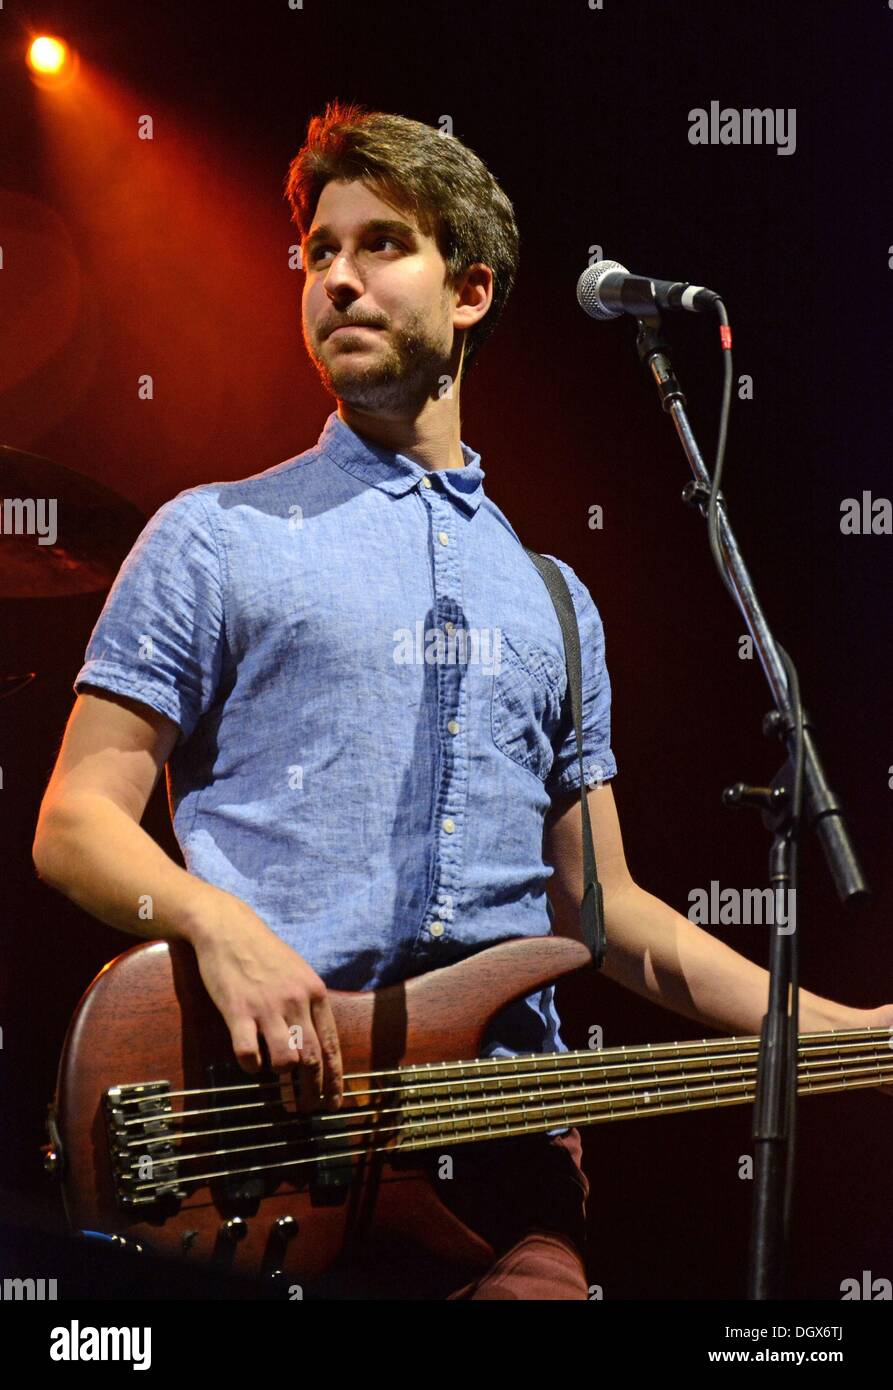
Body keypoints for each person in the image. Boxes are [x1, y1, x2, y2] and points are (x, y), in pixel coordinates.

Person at [32, 100, 893, 1301]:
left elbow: (609, 915)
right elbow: (74, 821)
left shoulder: (555, 603)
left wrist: (845, 1031)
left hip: (501, 1165)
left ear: (471, 291)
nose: (336, 278)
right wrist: (215, 926)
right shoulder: (213, 536)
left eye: (380, 244)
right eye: (319, 252)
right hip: (263, 1134)